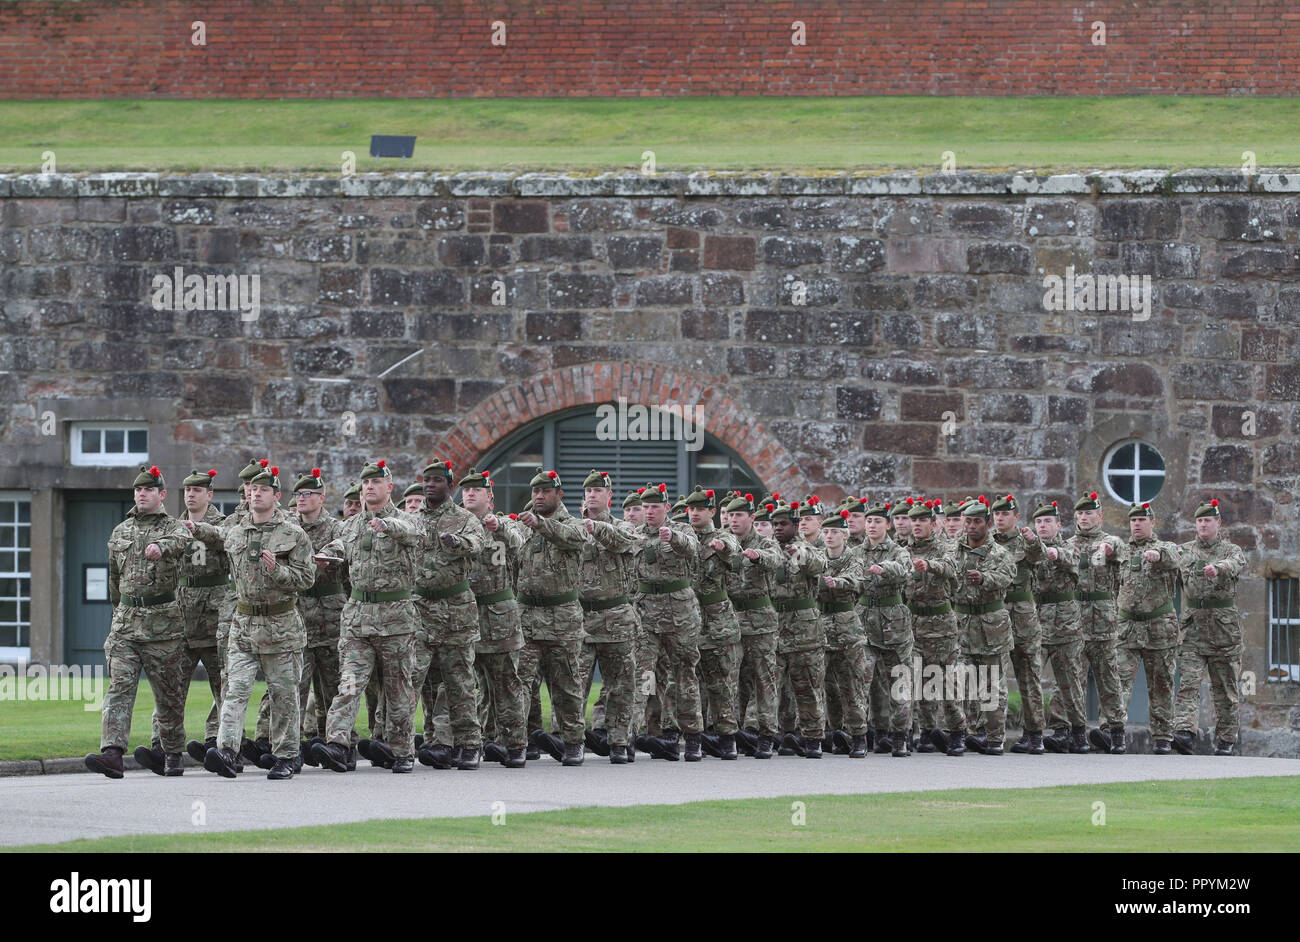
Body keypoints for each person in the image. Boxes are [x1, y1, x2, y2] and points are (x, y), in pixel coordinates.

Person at [202, 465, 315, 780]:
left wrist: (277, 570)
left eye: (263, 489)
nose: (255, 494)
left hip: (281, 624)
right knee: (235, 689)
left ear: (276, 496)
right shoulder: (237, 532)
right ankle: (227, 751)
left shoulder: (293, 534)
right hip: (244, 624)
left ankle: (286, 755)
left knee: (283, 694)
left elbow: (306, 578)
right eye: (252, 489)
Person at [312, 459, 423, 773]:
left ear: (390, 487)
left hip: (396, 620)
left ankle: (402, 750)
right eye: (366, 483)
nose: (370, 487)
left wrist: (387, 525)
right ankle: (337, 742)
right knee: (348, 683)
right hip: (358, 620)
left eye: (376, 482)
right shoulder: (352, 524)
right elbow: (339, 545)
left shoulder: (408, 520)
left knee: (398, 689)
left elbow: (411, 533)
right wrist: (323, 556)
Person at [85, 466, 192, 779]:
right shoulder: (121, 531)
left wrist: (161, 547)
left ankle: (172, 752)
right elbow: (114, 579)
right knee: (119, 687)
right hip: (126, 626)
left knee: (168, 696)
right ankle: (112, 754)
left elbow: (181, 540)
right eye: (138, 490)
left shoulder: (175, 527)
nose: (142, 494)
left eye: (148, 489)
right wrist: (119, 612)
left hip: (163, 627)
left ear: (161, 495)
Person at [516, 468, 590, 766]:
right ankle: (518, 741)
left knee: (566, 683)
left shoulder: (573, 524)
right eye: (535, 491)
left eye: (545, 491)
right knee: (520, 682)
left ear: (559, 495)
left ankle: (573, 741)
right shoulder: (523, 527)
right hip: (527, 616)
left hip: (562, 618)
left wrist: (541, 524)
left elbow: (574, 538)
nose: (539, 496)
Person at [631, 482, 705, 761]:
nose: (649, 512)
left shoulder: (681, 530)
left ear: (665, 508)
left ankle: (692, 735)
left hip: (680, 613)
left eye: (654, 507)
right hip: (646, 614)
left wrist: (672, 536)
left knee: (683, 674)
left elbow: (692, 549)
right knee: (643, 675)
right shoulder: (635, 534)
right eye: (645, 507)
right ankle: (633, 736)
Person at [1172, 498, 1247, 756]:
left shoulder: (1230, 550)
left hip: (1223, 630)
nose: (1203, 525)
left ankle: (1226, 738)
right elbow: (1166, 561)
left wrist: (1218, 568)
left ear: (1218, 523)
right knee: (1189, 683)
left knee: (1225, 688)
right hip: (1192, 628)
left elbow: (1237, 564)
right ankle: (1184, 732)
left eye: (1208, 520)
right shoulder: (1184, 551)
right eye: (1200, 520)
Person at [577, 470, 641, 764]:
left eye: (597, 491)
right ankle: (573, 740)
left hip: (616, 618)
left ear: (608, 496)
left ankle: (619, 741)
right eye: (588, 491)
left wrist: (595, 528)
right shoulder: (573, 528)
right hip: (582, 619)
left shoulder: (624, 527)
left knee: (621, 685)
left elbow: (625, 543)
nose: (592, 495)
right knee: (575, 684)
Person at [1115, 501, 1182, 754]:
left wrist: (1159, 556)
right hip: (1127, 628)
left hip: (1159, 629)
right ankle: (1114, 732)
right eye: (1133, 521)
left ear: (1152, 523)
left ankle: (1163, 737)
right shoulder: (1121, 550)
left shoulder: (1165, 547)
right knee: (1119, 681)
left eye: (1142, 520)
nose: (1137, 525)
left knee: (1161, 683)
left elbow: (1175, 558)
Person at [953, 496, 1017, 755]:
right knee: (963, 682)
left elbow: (1007, 575)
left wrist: (985, 578)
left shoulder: (999, 552)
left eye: (977, 522)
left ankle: (994, 738)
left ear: (987, 524)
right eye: (967, 521)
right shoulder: (953, 550)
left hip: (991, 627)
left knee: (992, 685)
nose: (971, 526)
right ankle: (970, 732)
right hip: (962, 624)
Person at [1069, 490, 1128, 754]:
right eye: (1080, 513)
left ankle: (1116, 732)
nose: (1084, 517)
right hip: (1074, 622)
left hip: (1103, 621)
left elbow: (1118, 551)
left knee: (1108, 679)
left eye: (1089, 513)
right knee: (1074, 679)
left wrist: (1107, 549)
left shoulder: (1111, 541)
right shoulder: (1068, 544)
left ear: (1099, 517)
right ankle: (1077, 733)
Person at [1030, 501, 1087, 754]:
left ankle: (1077, 732)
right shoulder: (1030, 549)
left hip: (1066, 625)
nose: (1043, 526)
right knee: (1031, 679)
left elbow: (1073, 559)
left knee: (1070, 681)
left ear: (1058, 525)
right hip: (1036, 622)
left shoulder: (1070, 546)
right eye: (1039, 522)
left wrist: (1055, 554)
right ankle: (1034, 733)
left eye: (1047, 522)